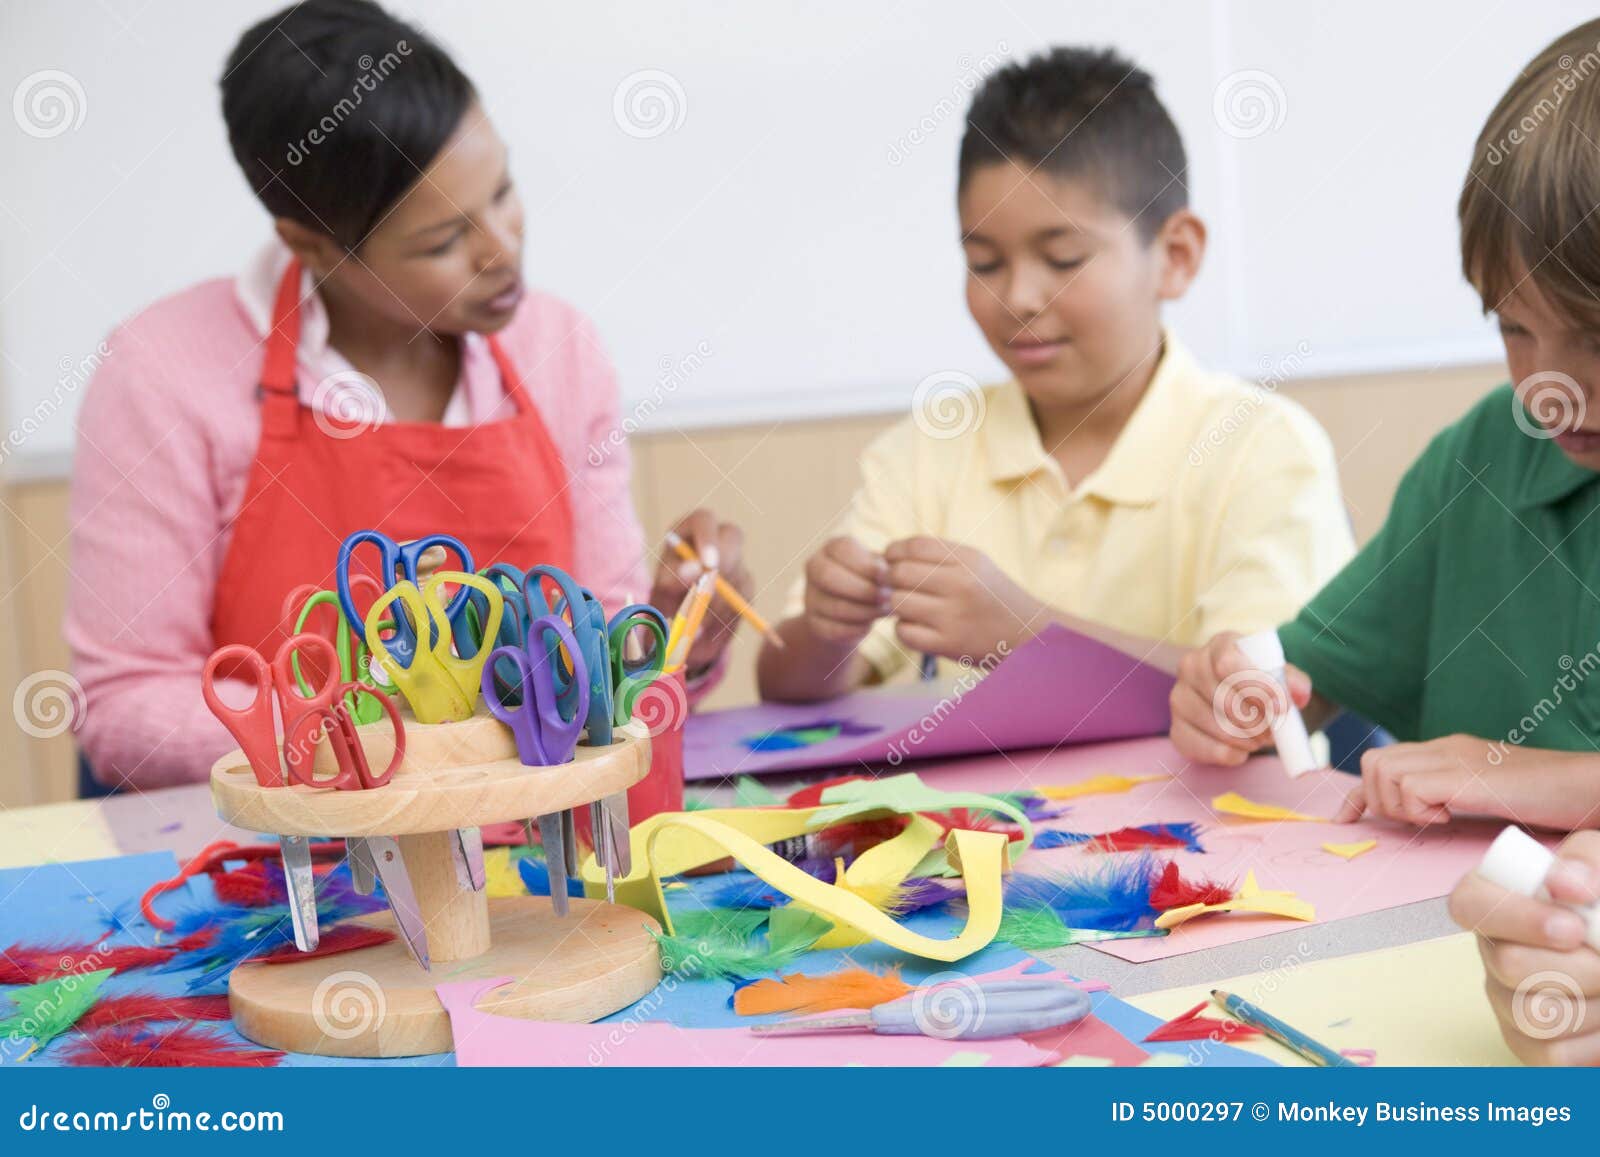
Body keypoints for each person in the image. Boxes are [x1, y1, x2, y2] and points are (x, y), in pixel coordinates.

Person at [66, 0, 749, 790]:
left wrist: (673, 635)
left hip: (526, 853)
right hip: (293, 861)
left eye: (502, 191)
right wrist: (380, 749)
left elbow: (603, 666)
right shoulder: (165, 372)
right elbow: (125, 705)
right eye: (442, 241)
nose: (504, 250)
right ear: (308, 242)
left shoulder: (558, 352)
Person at [759, 46, 1353, 703]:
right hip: (975, 811)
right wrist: (827, 631)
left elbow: (1264, 703)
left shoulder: (1261, 448)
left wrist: (1028, 636)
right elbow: (784, 689)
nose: (1018, 296)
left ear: (1175, 256)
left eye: (1063, 257)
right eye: (985, 262)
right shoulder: (927, 453)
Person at [1167, 18, 1600, 833]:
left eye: (1597, 336)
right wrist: (1249, 690)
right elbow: (1317, 673)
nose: (1549, 390)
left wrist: (1528, 774)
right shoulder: (1479, 461)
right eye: (1513, 327)